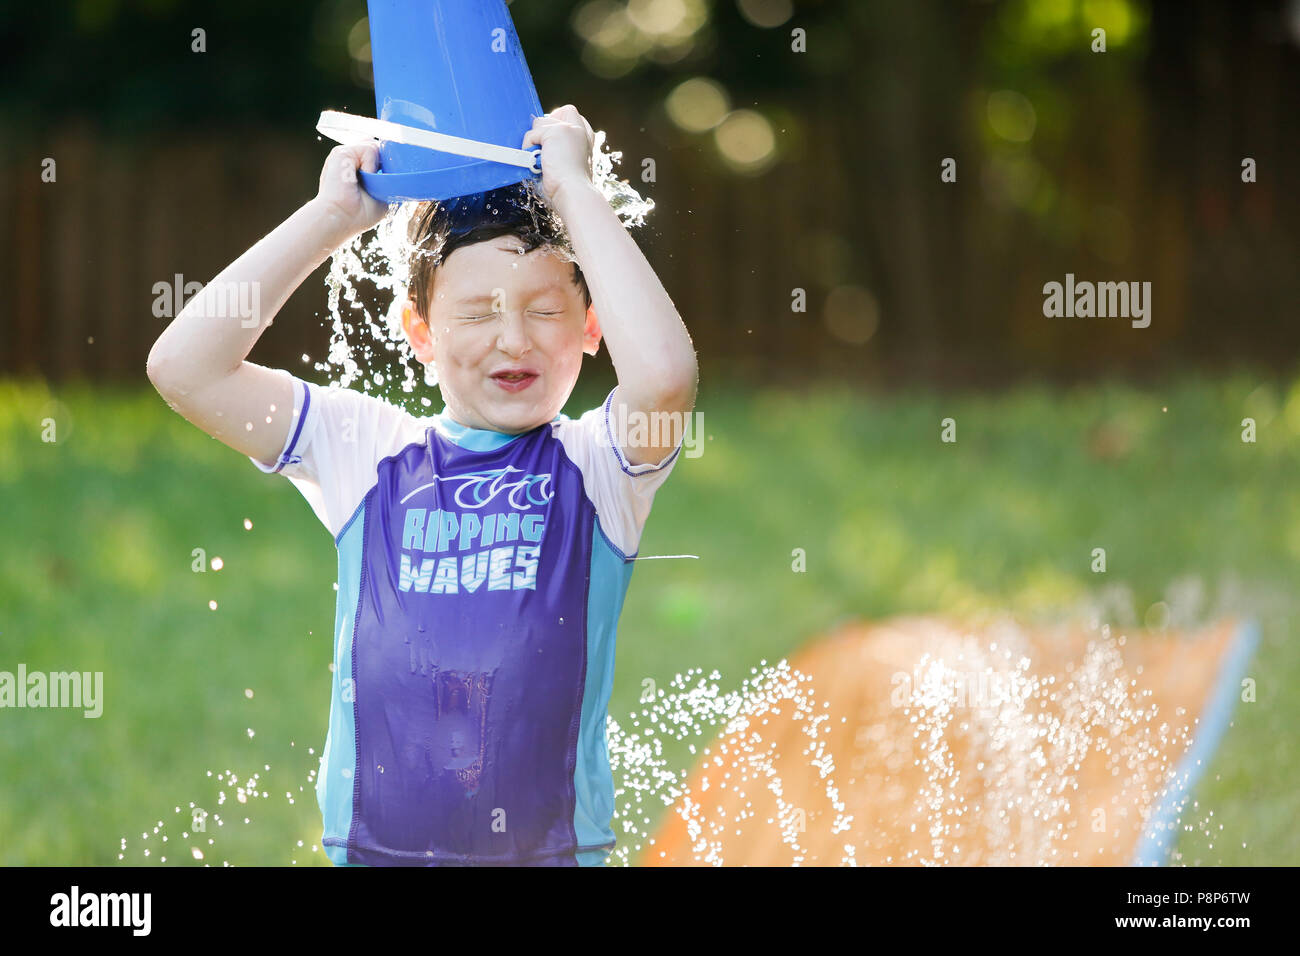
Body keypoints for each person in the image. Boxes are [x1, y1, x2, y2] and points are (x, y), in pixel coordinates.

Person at [146, 105, 698, 866]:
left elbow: (666, 379)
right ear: (421, 334)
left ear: (591, 328)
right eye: (476, 314)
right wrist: (330, 217)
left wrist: (573, 190)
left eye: (546, 310)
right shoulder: (367, 452)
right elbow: (184, 368)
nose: (514, 338)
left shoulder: (599, 467)